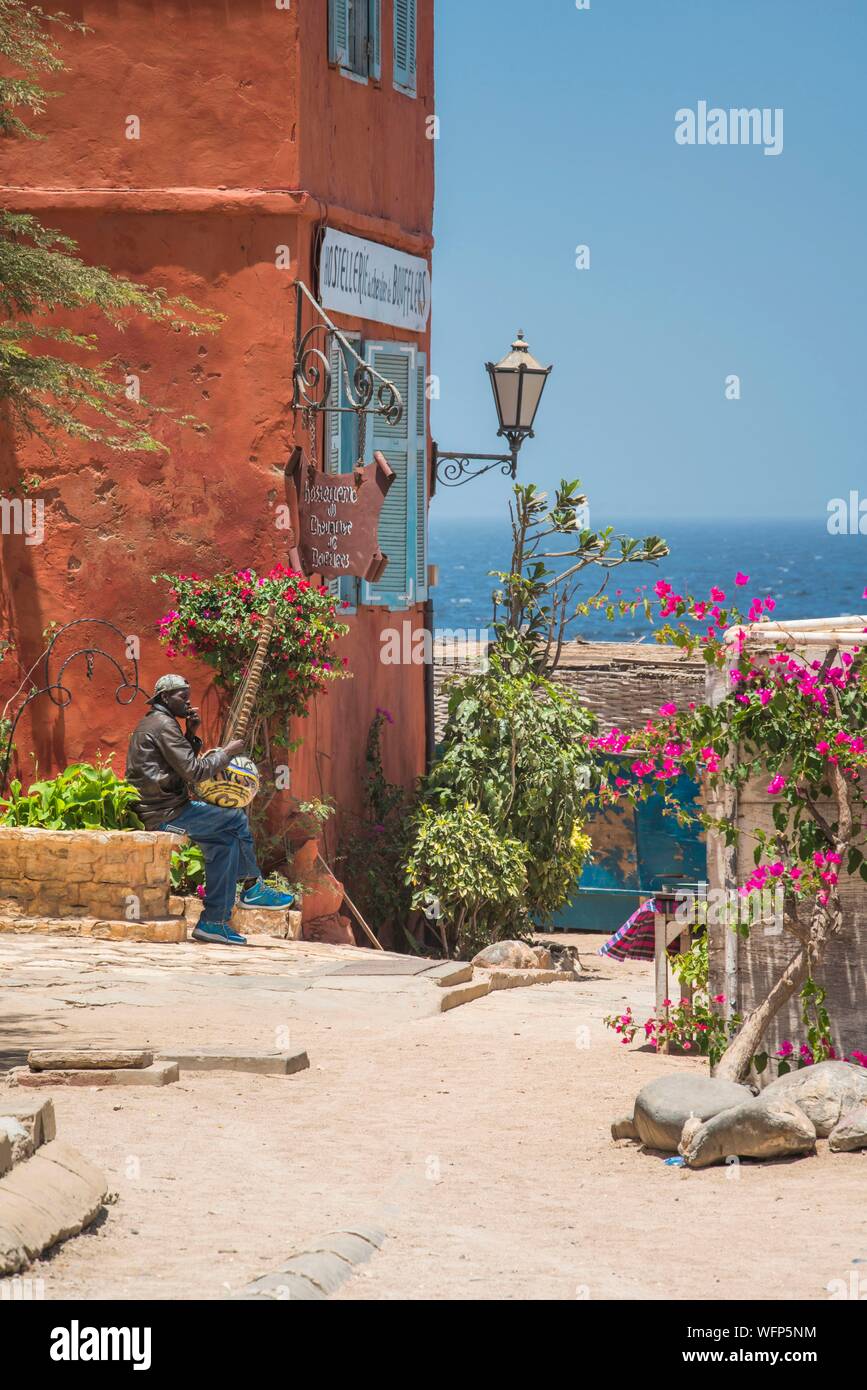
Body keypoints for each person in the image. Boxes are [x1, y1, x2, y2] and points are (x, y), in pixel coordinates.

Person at [125, 674, 294, 946]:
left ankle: (213, 923)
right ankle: (252, 887)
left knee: (225, 842)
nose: (187, 701)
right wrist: (226, 753)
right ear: (165, 698)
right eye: (182, 695)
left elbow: (180, 763)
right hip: (163, 815)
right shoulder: (162, 724)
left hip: (165, 808)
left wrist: (191, 734)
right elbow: (195, 772)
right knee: (236, 819)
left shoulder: (158, 723)